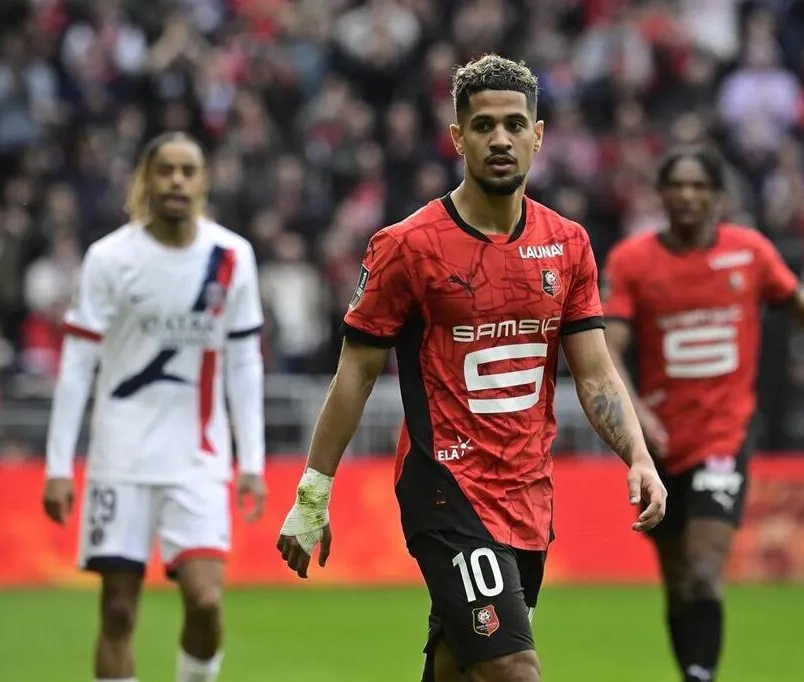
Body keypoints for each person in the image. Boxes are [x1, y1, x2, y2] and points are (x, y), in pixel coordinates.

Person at [275, 54, 668, 682]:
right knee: (514, 669)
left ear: (539, 135)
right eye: (484, 126)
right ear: (458, 138)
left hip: (528, 490)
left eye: (515, 125)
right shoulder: (407, 246)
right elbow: (355, 375)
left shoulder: (568, 244)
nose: (501, 139)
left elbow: (595, 373)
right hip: (445, 487)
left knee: (459, 667)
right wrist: (312, 495)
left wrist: (638, 457)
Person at [602, 148, 804, 682]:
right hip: (658, 443)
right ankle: (693, 670)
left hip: (723, 437)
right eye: (677, 186)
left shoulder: (749, 253)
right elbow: (608, 350)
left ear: (718, 197)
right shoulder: (633, 261)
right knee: (679, 579)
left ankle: (700, 676)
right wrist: (636, 412)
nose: (687, 196)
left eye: (698, 186)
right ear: (660, 195)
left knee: (705, 570)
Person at [42, 132, 267, 682]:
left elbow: (244, 363)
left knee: (206, 602)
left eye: (188, 171)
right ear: (145, 180)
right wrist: (57, 466)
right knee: (118, 611)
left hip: (198, 460)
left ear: (204, 182)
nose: (176, 181)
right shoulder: (110, 258)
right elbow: (76, 365)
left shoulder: (231, 257)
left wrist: (253, 461)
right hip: (120, 457)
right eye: (165, 170)